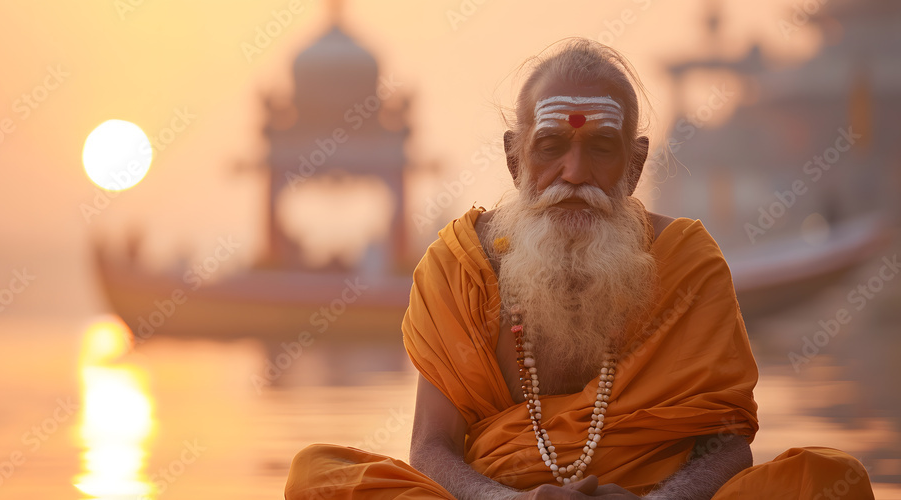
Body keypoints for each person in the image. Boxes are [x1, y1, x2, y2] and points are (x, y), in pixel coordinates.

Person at [285, 38, 875, 499]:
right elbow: (431, 447)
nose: (573, 173)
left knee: (830, 479)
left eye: (600, 147)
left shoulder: (687, 262)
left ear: (634, 163)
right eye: (551, 148)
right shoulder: (459, 267)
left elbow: (725, 446)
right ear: (516, 159)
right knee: (317, 476)